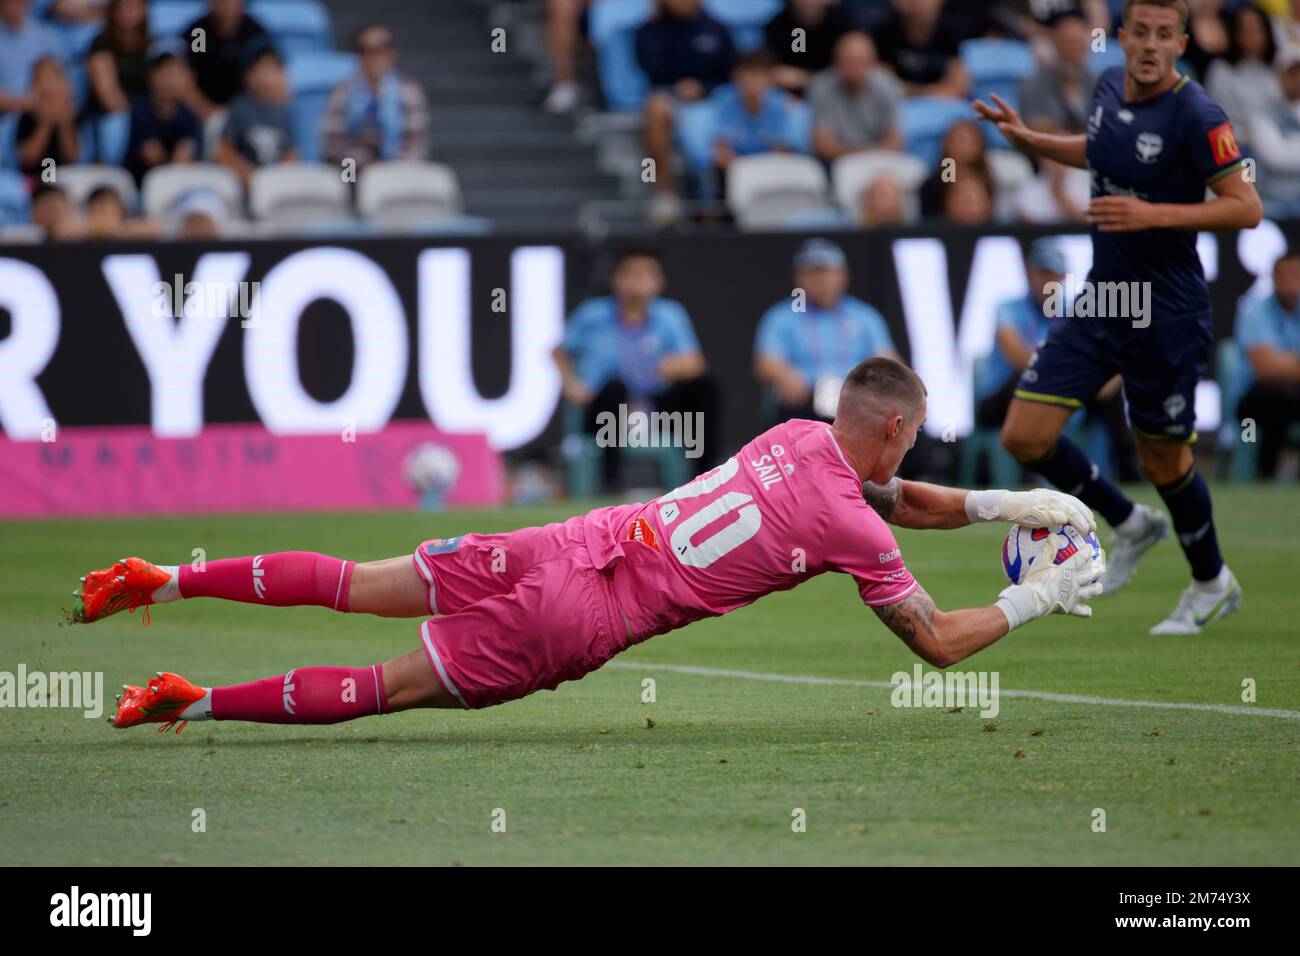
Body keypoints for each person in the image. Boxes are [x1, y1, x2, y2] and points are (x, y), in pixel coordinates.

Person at [71, 358, 1104, 733]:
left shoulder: (797, 437)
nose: (908, 451)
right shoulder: (845, 517)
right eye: (910, 435)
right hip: (585, 613)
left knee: (353, 581)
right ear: (887, 428)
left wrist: (1004, 505)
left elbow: (896, 499)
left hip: (565, 539)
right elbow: (932, 638)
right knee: (386, 688)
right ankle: (191, 697)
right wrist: (1040, 596)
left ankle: (167, 575)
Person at [974, 0, 1263, 634]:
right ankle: (1130, 522)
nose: (1152, 45)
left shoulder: (1198, 114)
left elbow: (1246, 207)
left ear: (1181, 42)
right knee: (1025, 436)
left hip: (1167, 311)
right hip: (1104, 298)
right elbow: (1102, 152)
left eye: (1166, 34)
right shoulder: (1107, 86)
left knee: (1164, 461)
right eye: (1142, 32)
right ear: (1123, 36)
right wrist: (1033, 142)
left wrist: (1155, 213)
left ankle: (1212, 581)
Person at [552, 246, 718, 490]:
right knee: (615, 388)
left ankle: (704, 479)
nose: (639, 280)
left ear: (659, 281)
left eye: (647, 273)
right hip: (604, 410)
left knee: (705, 387)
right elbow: (559, 352)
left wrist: (674, 366)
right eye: (631, 272)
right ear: (615, 279)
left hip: (656, 407)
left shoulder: (671, 315)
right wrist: (570, 383)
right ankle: (610, 485)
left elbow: (695, 362)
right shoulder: (591, 315)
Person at [755, 238, 899, 425]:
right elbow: (766, 362)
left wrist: (874, 382)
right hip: (805, 398)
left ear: (843, 275)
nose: (820, 280)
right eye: (812, 273)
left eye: (827, 272)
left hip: (856, 397)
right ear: (798, 278)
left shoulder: (865, 316)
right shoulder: (781, 316)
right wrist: (785, 375)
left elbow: (889, 360)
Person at [636, 0, 735, 224]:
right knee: (655, 107)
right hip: (671, 98)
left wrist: (703, 87)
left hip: (714, 98)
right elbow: (650, 68)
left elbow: (730, 71)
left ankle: (715, 195)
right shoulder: (651, 30)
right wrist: (677, 88)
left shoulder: (716, 28)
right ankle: (664, 192)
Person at [322, 24, 429, 170]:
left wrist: (394, 168)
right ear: (358, 56)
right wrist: (363, 165)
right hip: (352, 168)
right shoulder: (342, 92)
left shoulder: (409, 90)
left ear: (392, 53)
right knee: (345, 176)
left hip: (398, 168)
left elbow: (415, 141)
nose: (375, 57)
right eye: (366, 50)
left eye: (382, 49)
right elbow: (333, 144)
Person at [1234, 249, 1300, 479]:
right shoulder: (1254, 309)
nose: (1292, 282)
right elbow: (1265, 370)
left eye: (1297, 274)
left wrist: (1284, 363)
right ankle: (1263, 473)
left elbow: (1274, 364)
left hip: (1292, 399)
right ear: (1274, 278)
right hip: (1249, 406)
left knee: (1287, 396)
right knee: (1278, 396)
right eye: (1286, 275)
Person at [809, 31, 904, 162]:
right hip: (838, 161)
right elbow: (823, 146)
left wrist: (868, 154)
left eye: (859, 60)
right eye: (847, 60)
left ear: (872, 61)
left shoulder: (888, 86)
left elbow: (895, 143)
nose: (853, 66)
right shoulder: (821, 86)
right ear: (835, 61)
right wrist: (862, 154)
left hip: (882, 159)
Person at [711, 50, 803, 179]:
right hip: (736, 173)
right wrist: (745, 172)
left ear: (768, 80)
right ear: (735, 79)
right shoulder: (723, 102)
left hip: (772, 173)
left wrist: (759, 172)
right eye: (746, 77)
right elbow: (721, 153)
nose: (751, 84)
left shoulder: (782, 104)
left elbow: (783, 151)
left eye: (757, 76)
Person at [216, 40, 296, 186]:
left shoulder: (285, 112)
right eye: (263, 68)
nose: (269, 77)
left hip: (276, 184)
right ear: (248, 75)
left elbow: (290, 155)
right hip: (244, 182)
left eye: (274, 68)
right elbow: (223, 152)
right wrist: (249, 176)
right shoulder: (240, 108)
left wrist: (279, 180)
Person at [125, 42, 202, 184]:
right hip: (138, 185)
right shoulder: (139, 108)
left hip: (176, 185)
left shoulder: (189, 113)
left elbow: (184, 158)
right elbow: (151, 155)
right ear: (150, 76)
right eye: (165, 71)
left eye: (178, 71)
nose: (171, 79)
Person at [1205, 2, 1280, 145]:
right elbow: (1217, 119)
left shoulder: (1274, 67)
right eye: (1246, 30)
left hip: (1276, 143)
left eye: (1258, 30)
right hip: (1238, 145)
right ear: (1235, 32)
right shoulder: (1221, 70)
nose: (1251, 36)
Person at [180, 0, 270, 119]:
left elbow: (268, 72)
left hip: (246, 113)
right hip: (202, 113)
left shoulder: (253, 32)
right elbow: (183, 75)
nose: (227, 3)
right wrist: (207, 111)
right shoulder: (199, 33)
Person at [1018, 10, 1097, 134]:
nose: (1073, 52)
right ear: (1055, 45)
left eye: (1079, 44)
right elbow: (1033, 128)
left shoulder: (1098, 83)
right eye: (1068, 44)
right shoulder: (1033, 84)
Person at [870, 0, 969, 99]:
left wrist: (920, 92)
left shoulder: (951, 29)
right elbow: (885, 86)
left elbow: (959, 85)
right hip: (900, 103)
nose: (918, 3)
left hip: (941, 103)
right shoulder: (883, 32)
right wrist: (929, 92)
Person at [762, 0, 851, 94]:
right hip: (787, 96)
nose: (808, 2)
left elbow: (848, 71)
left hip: (834, 94)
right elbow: (772, 72)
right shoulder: (775, 27)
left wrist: (804, 78)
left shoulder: (842, 24)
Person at [15, 56, 79, 177]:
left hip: (64, 178)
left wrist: (64, 123)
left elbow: (72, 158)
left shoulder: (72, 116)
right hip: (33, 178)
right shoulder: (27, 116)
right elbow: (27, 159)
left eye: (53, 78)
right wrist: (45, 123)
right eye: (41, 79)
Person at [0, 0, 66, 117]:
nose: (16, 3)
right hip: (8, 116)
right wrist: (27, 102)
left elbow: (64, 80)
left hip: (47, 108)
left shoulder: (47, 36)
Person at [920, 119, 994, 218]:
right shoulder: (933, 185)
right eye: (958, 141)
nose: (963, 147)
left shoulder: (990, 181)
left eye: (968, 141)